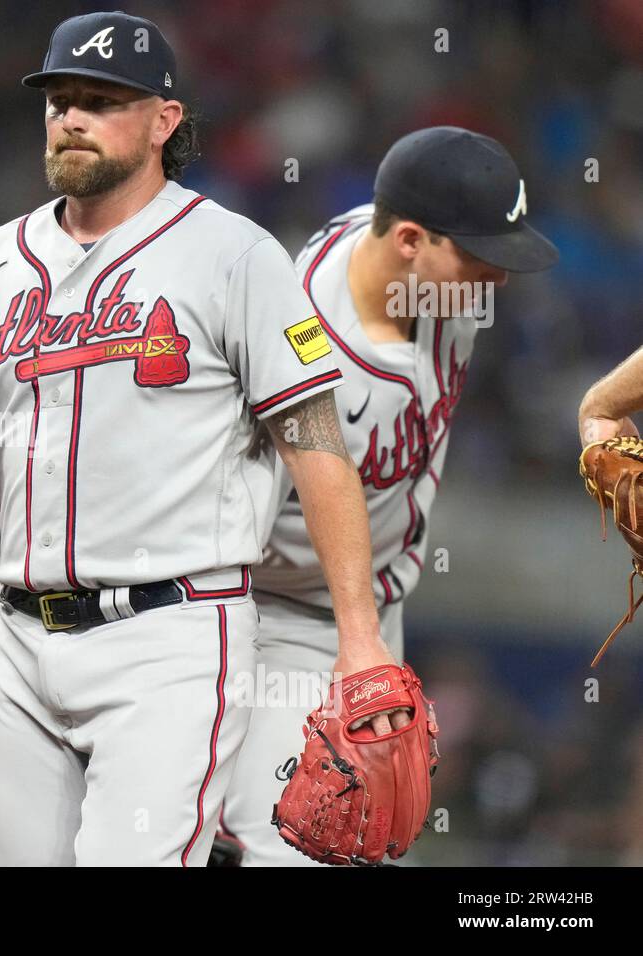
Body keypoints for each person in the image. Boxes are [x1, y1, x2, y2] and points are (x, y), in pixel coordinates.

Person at [0, 10, 401, 866]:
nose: (72, 116)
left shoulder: (236, 256)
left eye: (102, 101)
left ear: (163, 122)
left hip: (171, 636)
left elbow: (317, 443)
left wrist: (359, 639)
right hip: (21, 639)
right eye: (61, 98)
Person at [222, 127, 559, 865]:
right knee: (290, 851)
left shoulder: (397, 255)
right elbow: (217, 534)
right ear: (409, 239)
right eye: (481, 254)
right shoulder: (299, 359)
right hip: (282, 624)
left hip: (370, 621)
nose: (498, 278)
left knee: (361, 848)